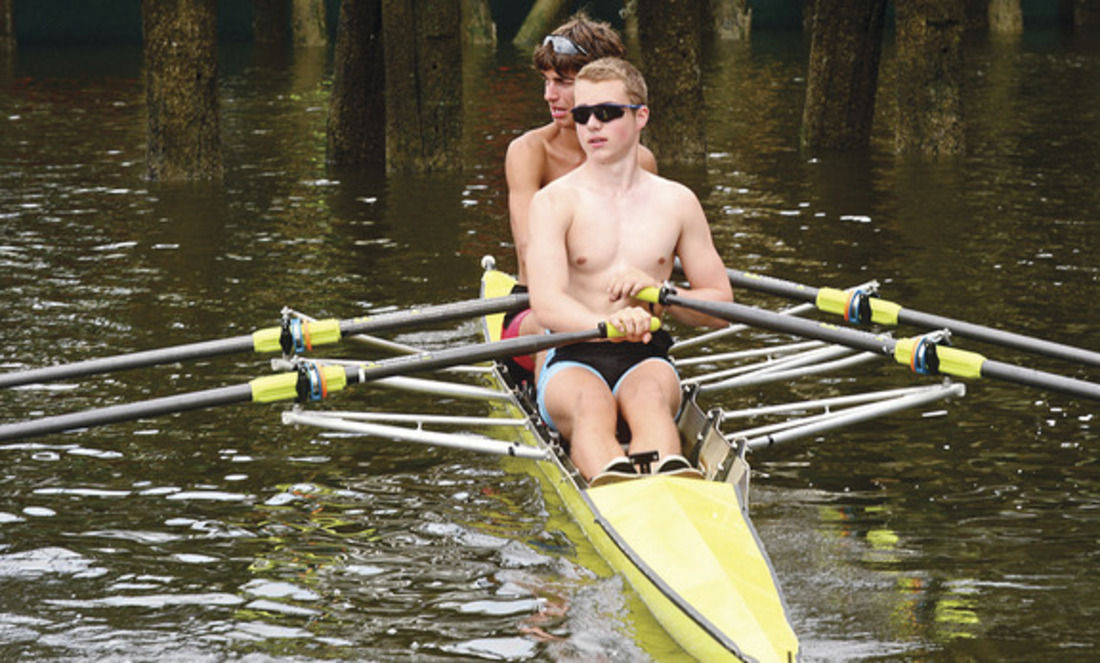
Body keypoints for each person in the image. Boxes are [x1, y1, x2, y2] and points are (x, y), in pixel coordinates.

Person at [526, 57, 733, 486]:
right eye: (582, 115)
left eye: (607, 113)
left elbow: (719, 306)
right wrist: (607, 324)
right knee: (591, 405)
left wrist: (663, 294)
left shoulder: (678, 202)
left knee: (650, 399)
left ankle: (668, 486)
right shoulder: (553, 203)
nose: (592, 126)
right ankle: (614, 483)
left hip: (646, 354)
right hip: (571, 356)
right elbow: (546, 305)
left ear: (641, 117)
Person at [500, 13, 656, 382]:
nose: (548, 95)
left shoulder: (642, 161)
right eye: (546, 82)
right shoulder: (529, 152)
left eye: (562, 83)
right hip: (535, 312)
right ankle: (553, 418)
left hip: (614, 314)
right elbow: (528, 248)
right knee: (554, 330)